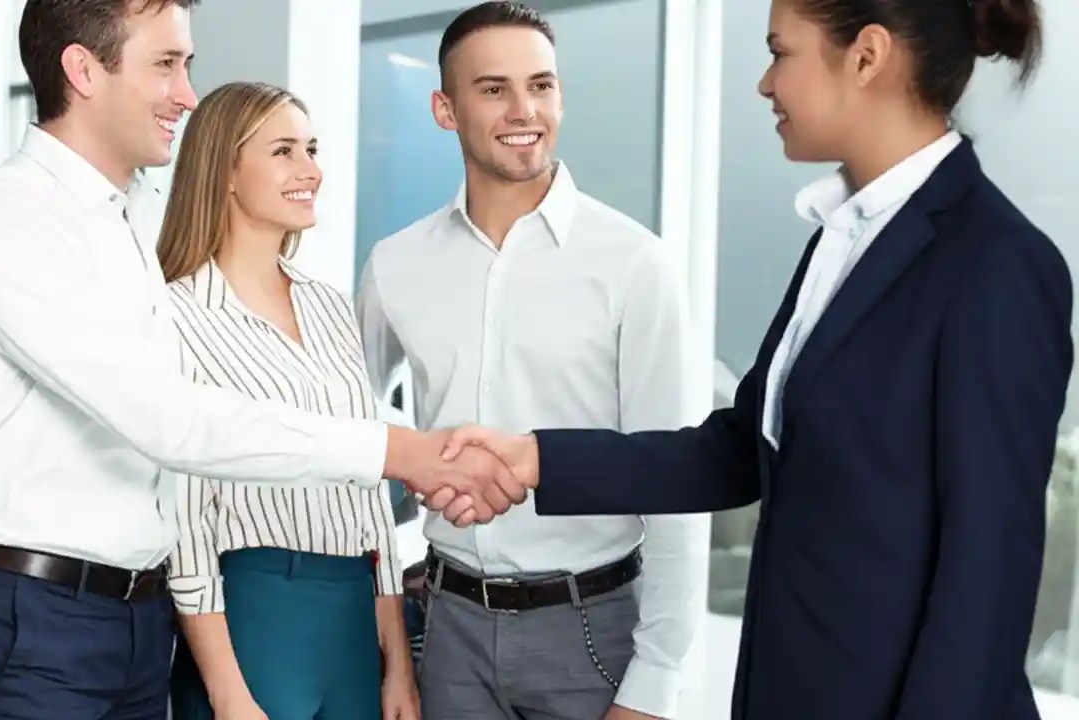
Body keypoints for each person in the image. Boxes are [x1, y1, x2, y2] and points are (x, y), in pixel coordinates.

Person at [442, 0, 1073, 718]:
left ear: (866, 56)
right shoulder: (842, 242)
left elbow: (985, 580)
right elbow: (740, 452)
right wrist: (535, 459)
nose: (765, 84)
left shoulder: (997, 264)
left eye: (781, 52)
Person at [0, 2, 520, 718]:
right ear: (82, 71)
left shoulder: (134, 217)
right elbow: (169, 422)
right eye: (165, 65)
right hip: (40, 616)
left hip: (137, 619)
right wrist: (400, 450)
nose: (186, 95)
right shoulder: (11, 219)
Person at [357, 4, 709, 719]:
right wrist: (393, 644)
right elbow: (356, 440)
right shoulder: (395, 265)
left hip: (591, 632)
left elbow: (677, 476)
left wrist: (657, 681)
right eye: (493, 89)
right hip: (448, 627)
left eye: (542, 85)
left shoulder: (633, 263)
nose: (525, 110)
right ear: (444, 109)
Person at [154, 81, 419, 720]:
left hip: (354, 618)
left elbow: (369, 498)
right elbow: (186, 519)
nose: (311, 170)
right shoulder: (174, 314)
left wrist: (399, 668)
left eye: (312, 148)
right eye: (284, 151)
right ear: (225, 172)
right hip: (252, 616)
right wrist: (226, 691)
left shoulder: (330, 308)